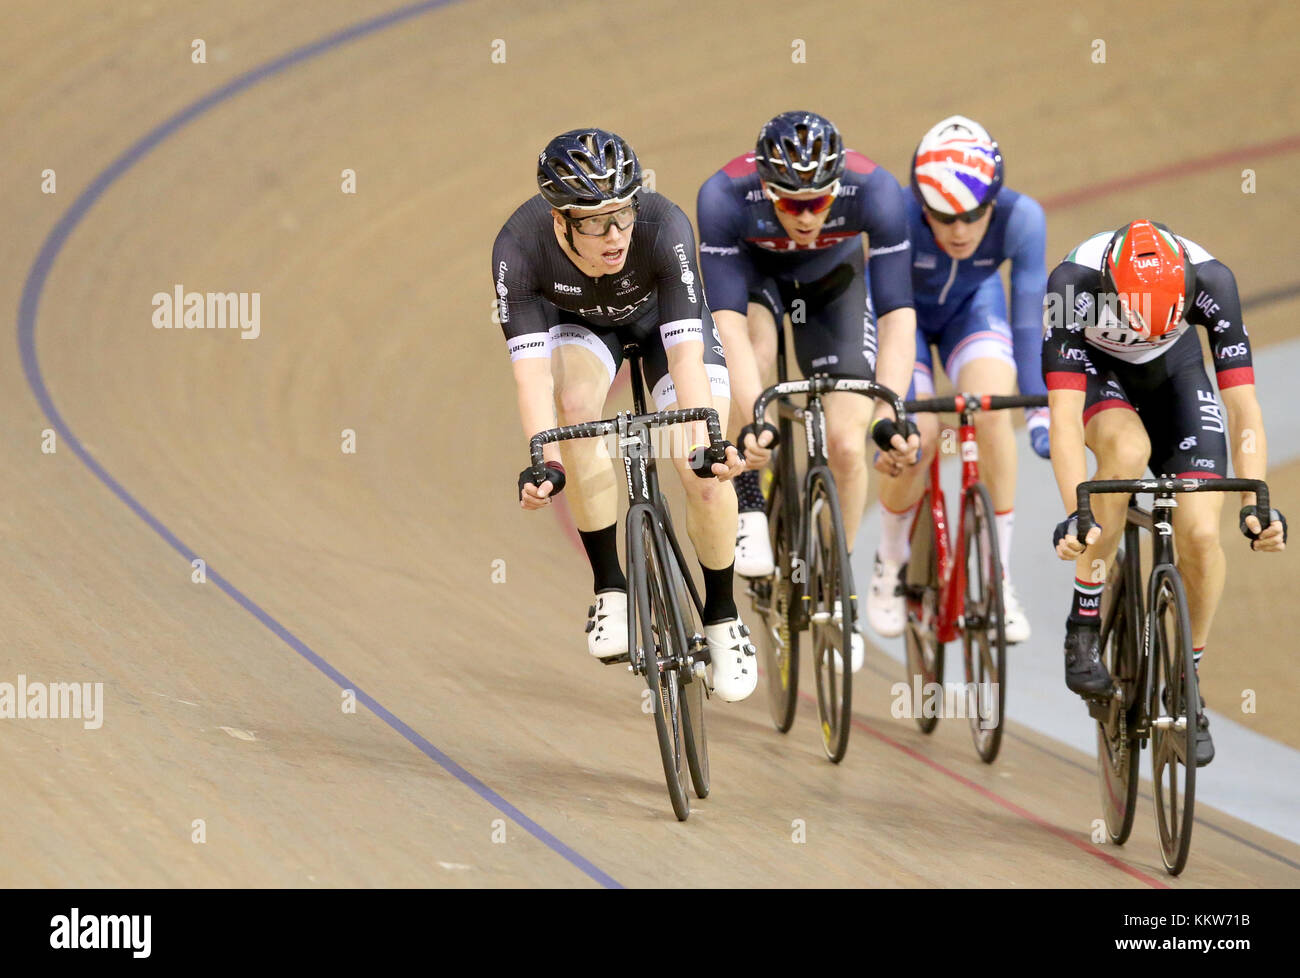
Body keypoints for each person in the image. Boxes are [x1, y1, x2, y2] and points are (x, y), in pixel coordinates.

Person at [493, 128, 758, 702]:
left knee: (703, 474)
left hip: (664, 326)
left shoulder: (664, 226)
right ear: (560, 221)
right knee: (576, 408)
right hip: (583, 328)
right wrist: (545, 458)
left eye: (622, 214)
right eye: (594, 222)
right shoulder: (518, 246)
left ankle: (722, 618)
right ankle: (611, 588)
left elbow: (687, 354)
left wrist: (705, 438)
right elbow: (531, 374)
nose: (614, 235)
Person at [1044, 218, 1287, 764]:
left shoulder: (1211, 280)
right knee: (1125, 452)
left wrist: (1255, 502)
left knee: (1201, 533)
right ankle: (1084, 617)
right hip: (1098, 370)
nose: (1150, 330)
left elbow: (1243, 406)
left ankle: (1187, 680)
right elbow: (1062, 418)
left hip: (1176, 376)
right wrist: (1075, 515)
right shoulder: (1071, 284)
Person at [696, 110, 920, 674]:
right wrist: (755, 416)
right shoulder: (724, 196)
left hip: (833, 286)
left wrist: (890, 410)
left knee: (846, 445)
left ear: (837, 187)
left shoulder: (876, 192)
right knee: (756, 349)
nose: (806, 216)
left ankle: (837, 592)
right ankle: (750, 492)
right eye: (791, 204)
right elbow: (726, 329)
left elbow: (897, 316)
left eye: (818, 202)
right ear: (766, 188)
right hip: (755, 280)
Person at [864, 115, 1049, 644]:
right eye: (944, 217)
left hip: (975, 308)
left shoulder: (1024, 219)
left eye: (973, 215)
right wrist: (892, 410)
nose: (960, 230)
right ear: (922, 204)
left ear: (995, 200)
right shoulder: (894, 214)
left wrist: (1036, 412)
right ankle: (890, 562)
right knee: (914, 439)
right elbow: (886, 318)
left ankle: (999, 576)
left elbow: (1027, 322)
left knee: (993, 409)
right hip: (905, 320)